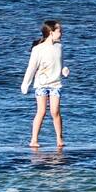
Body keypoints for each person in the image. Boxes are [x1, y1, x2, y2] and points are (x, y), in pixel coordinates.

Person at [21, 20, 69, 148]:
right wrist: (25, 84)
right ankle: (34, 140)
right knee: (41, 111)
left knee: (55, 112)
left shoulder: (59, 47)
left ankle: (59, 139)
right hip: (41, 84)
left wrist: (64, 70)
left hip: (56, 84)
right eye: (59, 30)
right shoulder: (38, 49)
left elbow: (61, 63)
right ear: (51, 32)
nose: (61, 32)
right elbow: (31, 68)